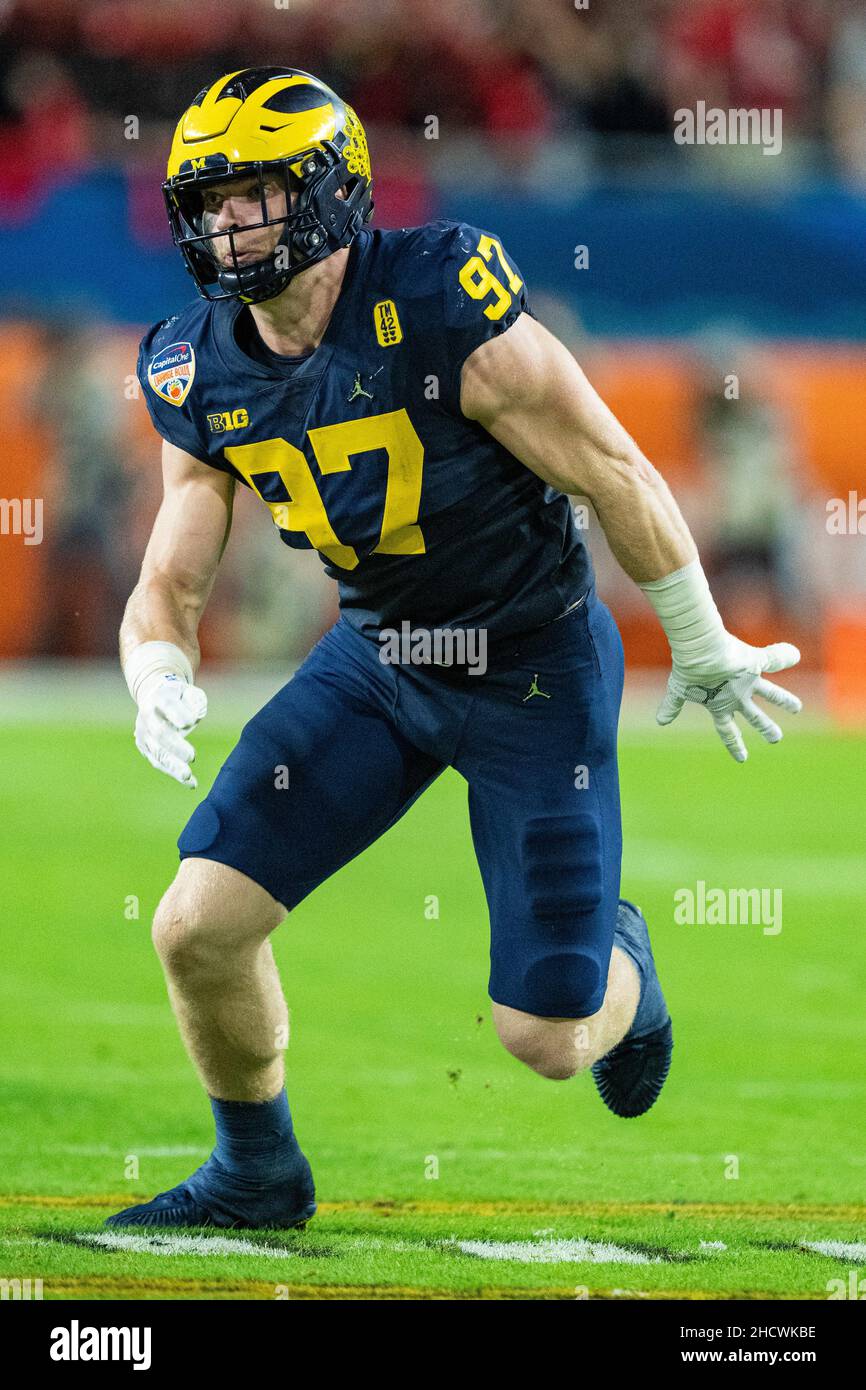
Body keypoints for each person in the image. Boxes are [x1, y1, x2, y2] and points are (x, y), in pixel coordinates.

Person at [110, 67, 801, 1229]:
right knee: (194, 926)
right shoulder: (196, 364)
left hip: (530, 665)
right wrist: (156, 672)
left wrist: (695, 635)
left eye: (254, 194)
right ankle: (256, 1173)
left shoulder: (436, 298)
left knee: (547, 1036)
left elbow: (609, 465)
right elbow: (169, 579)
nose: (227, 224)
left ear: (330, 193)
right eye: (210, 201)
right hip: (378, 660)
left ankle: (622, 969)